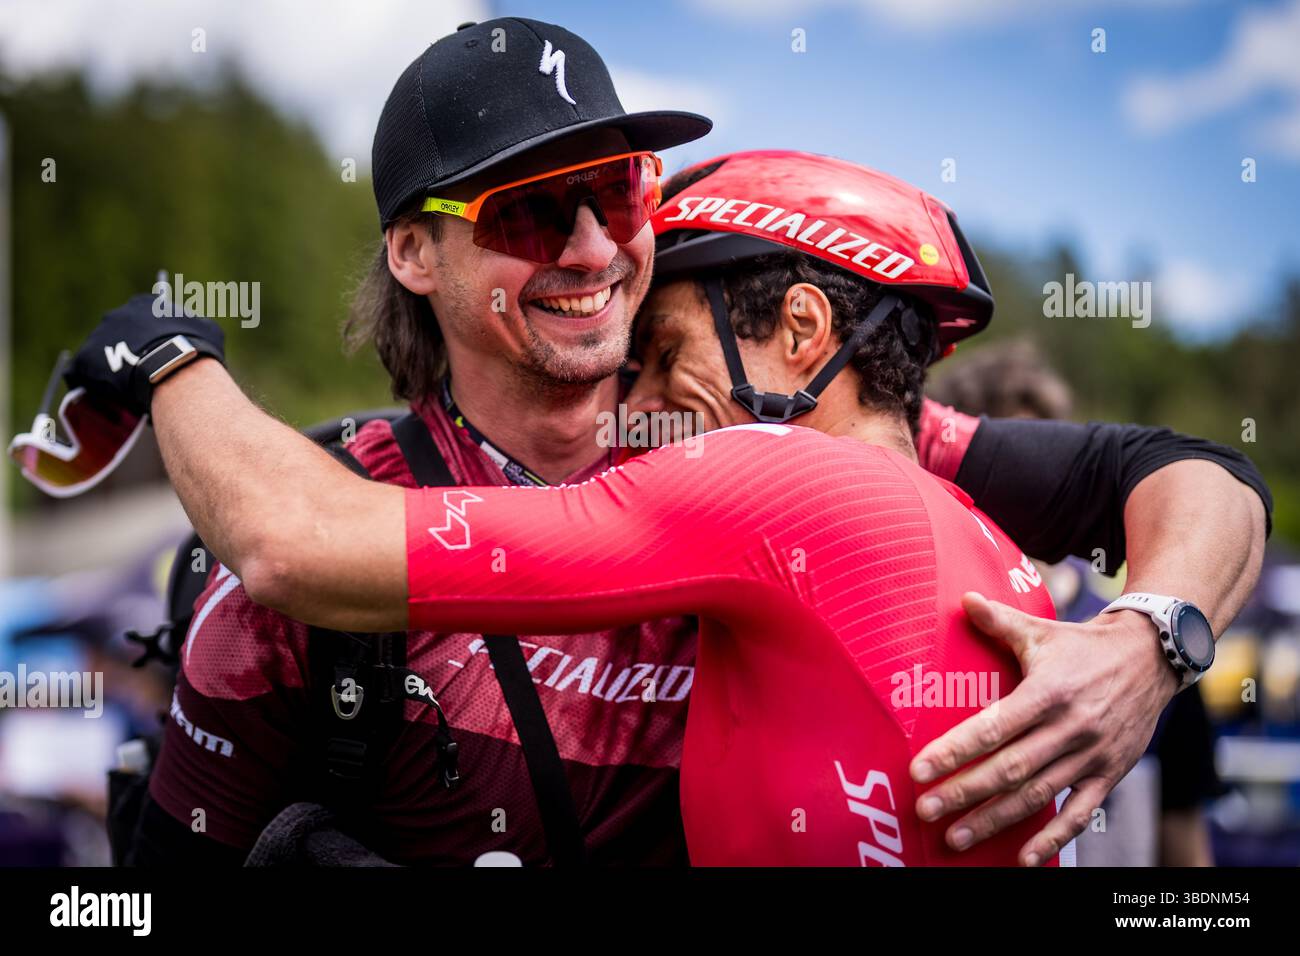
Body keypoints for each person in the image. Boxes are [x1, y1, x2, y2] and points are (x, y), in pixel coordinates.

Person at [64, 140, 1269, 864]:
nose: (625, 396)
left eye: (662, 348)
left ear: (802, 331)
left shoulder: (770, 476)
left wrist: (168, 352)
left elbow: (291, 539)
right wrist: (1151, 633)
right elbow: (1196, 469)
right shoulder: (938, 489)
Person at [928, 341, 1224, 865]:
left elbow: (1184, 829)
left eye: (1042, 462)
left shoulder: (1153, 633)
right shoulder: (932, 630)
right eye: (1002, 464)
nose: (1027, 489)